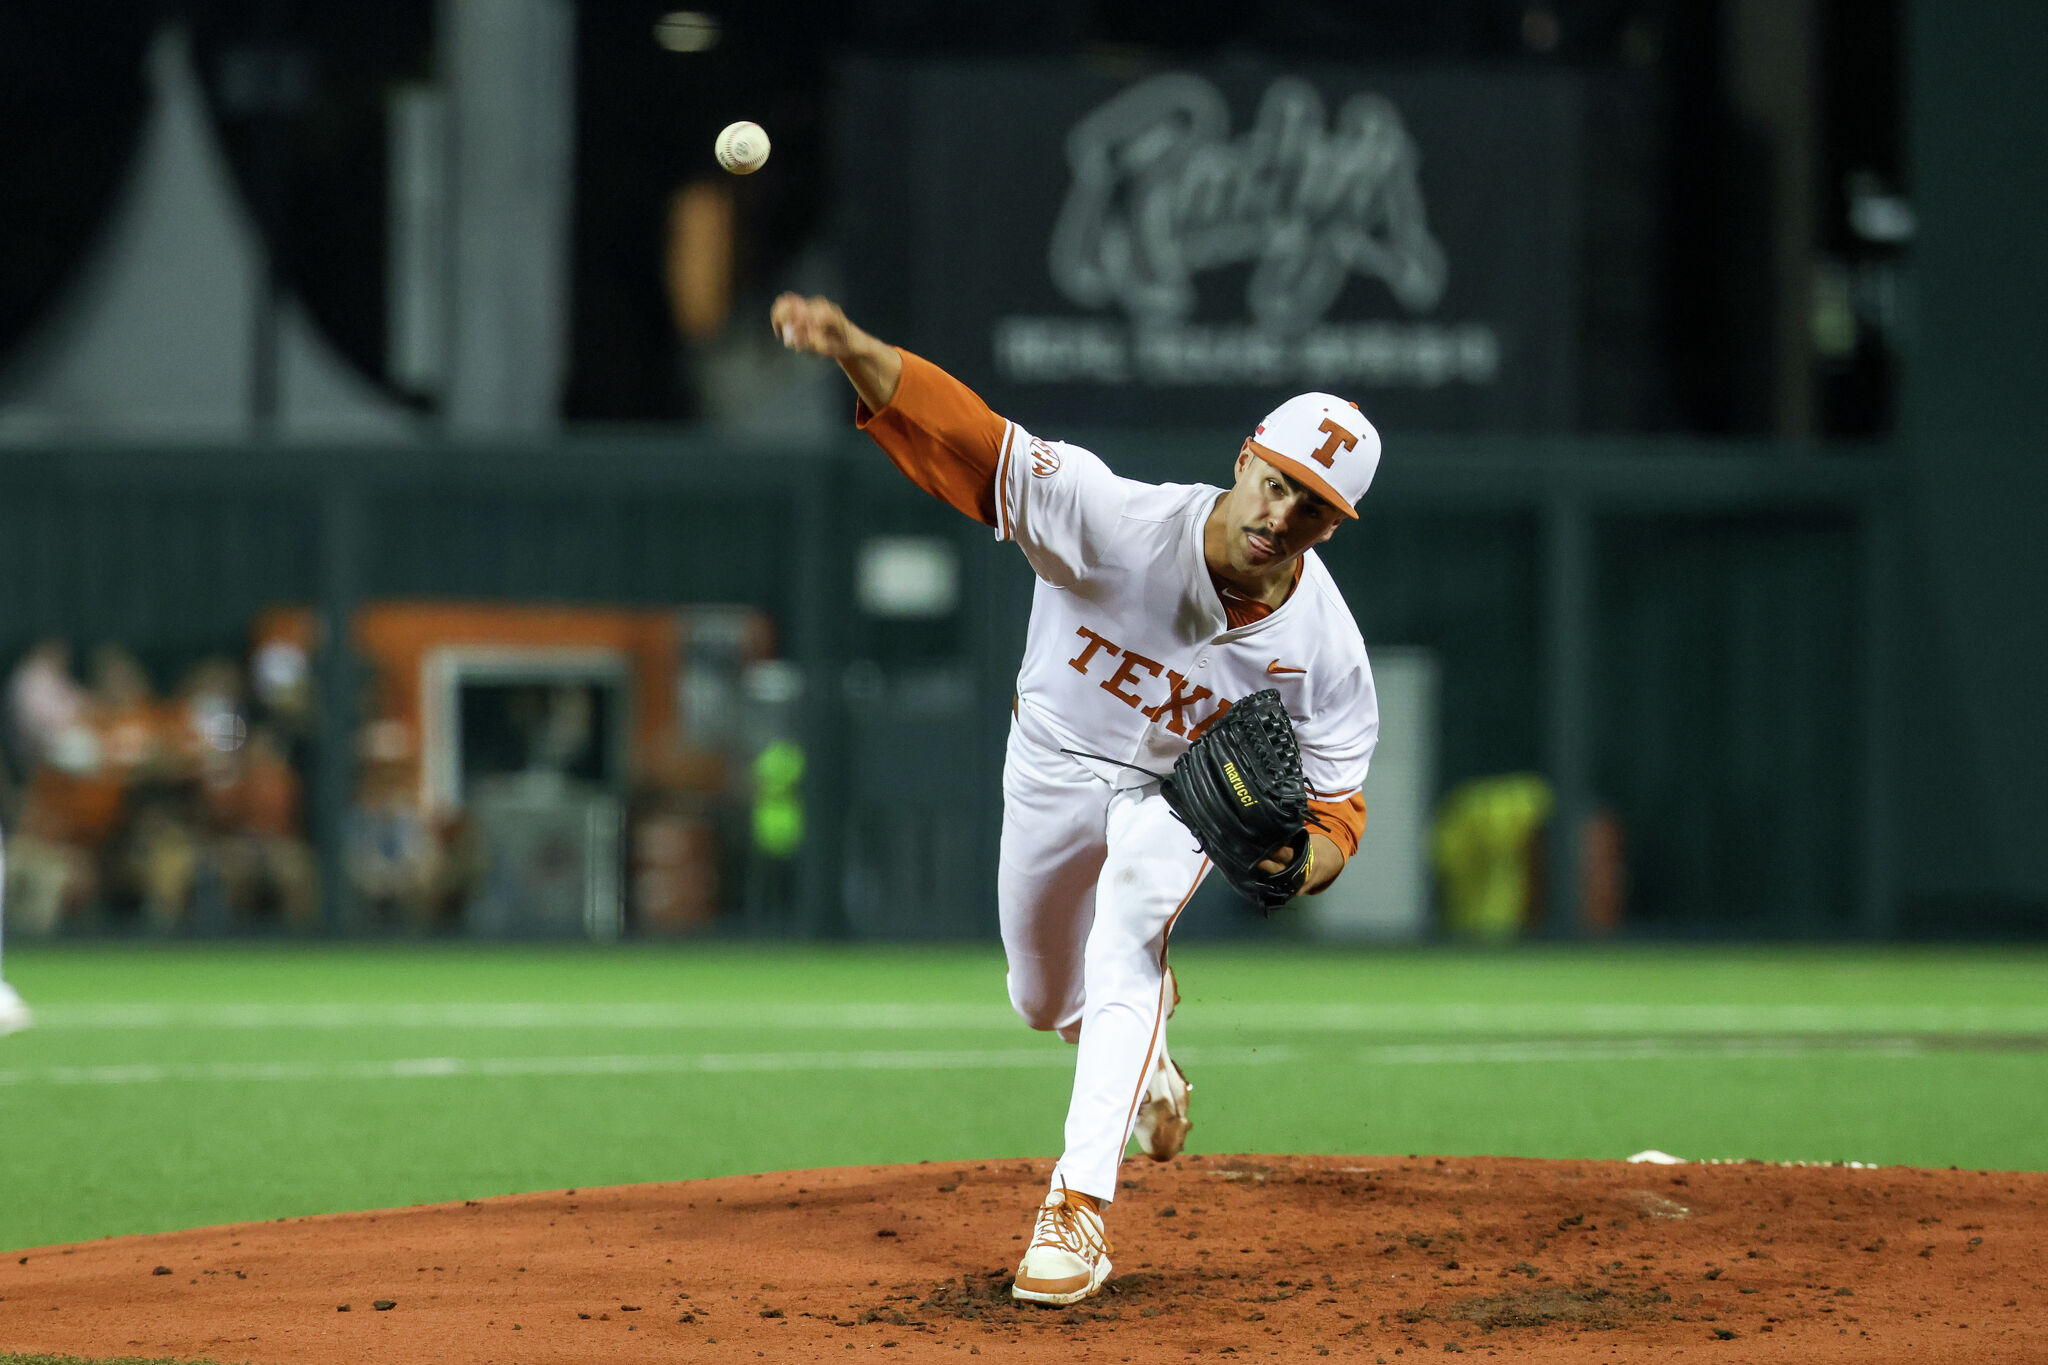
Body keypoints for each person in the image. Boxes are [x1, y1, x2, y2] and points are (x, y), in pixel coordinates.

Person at [771, 293, 1381, 1306]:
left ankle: (1077, 1211)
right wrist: (851, 349)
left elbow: (1339, 807)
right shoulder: (1114, 522)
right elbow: (970, 441)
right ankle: (1147, 1065)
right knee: (1042, 997)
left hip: (1172, 800)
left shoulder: (1325, 648)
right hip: (1051, 763)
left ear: (1334, 524)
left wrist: (1297, 863)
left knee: (1129, 931)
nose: (1283, 517)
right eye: (1277, 485)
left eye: (1313, 507)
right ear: (1244, 460)